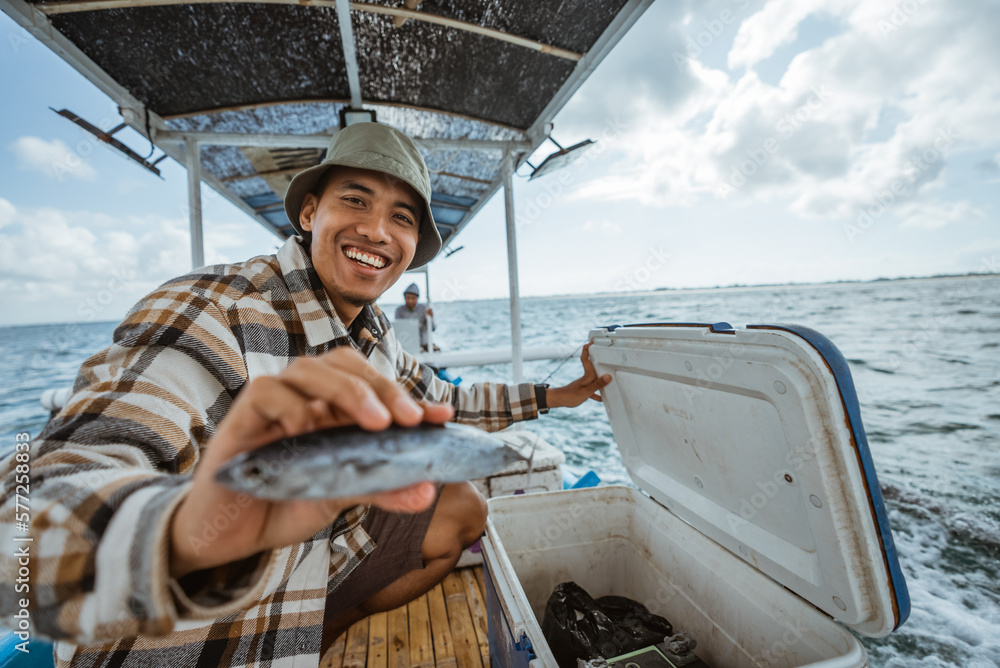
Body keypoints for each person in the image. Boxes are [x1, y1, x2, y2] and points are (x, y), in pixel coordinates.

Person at [0, 122, 611, 667]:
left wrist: (561, 394)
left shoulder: (374, 333)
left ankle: (322, 628)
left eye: (402, 217)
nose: (377, 230)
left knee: (463, 508)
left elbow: (442, 402)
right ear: (308, 213)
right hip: (189, 635)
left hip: (312, 555)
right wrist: (194, 527)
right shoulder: (214, 310)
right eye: (356, 200)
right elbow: (25, 524)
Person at [394, 282, 437, 351]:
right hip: (407, 345)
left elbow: (433, 328)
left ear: (417, 298)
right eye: (408, 298)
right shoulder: (399, 311)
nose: (410, 301)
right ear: (404, 297)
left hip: (425, 344)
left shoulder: (424, 309)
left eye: (413, 298)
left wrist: (430, 318)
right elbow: (398, 330)